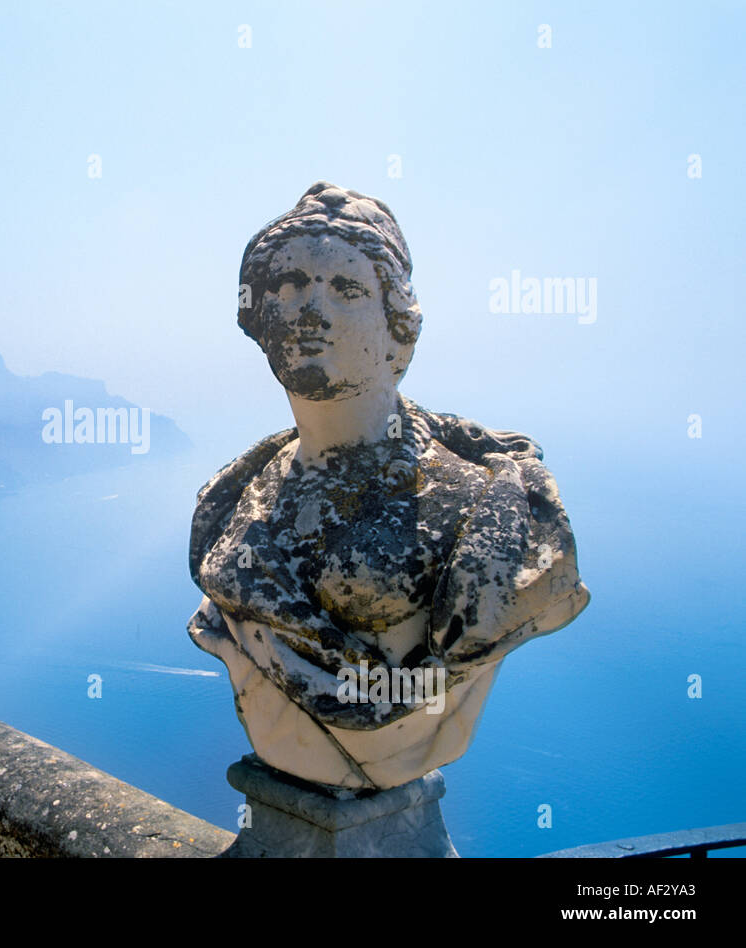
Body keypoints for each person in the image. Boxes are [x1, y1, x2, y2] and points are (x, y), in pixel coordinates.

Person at [187, 182, 590, 790]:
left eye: (345, 289)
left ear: (396, 323)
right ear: (259, 315)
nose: (310, 310)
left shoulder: (475, 508)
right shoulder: (232, 499)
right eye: (290, 285)